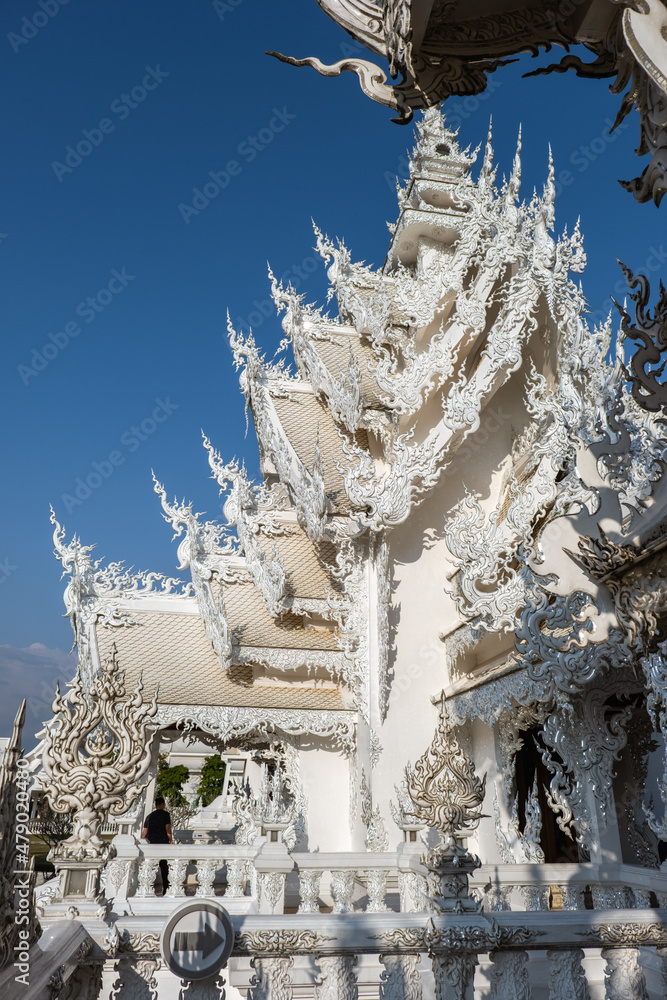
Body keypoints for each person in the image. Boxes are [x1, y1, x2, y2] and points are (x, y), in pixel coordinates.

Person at [141, 796, 173, 893]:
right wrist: (171, 840)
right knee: (164, 867)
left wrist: (142, 843)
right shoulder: (165, 815)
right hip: (162, 842)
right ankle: (165, 889)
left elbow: (144, 832)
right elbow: (168, 828)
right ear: (162, 804)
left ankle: (147, 888)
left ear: (155, 805)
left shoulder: (149, 816)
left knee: (150, 867)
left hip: (151, 843)